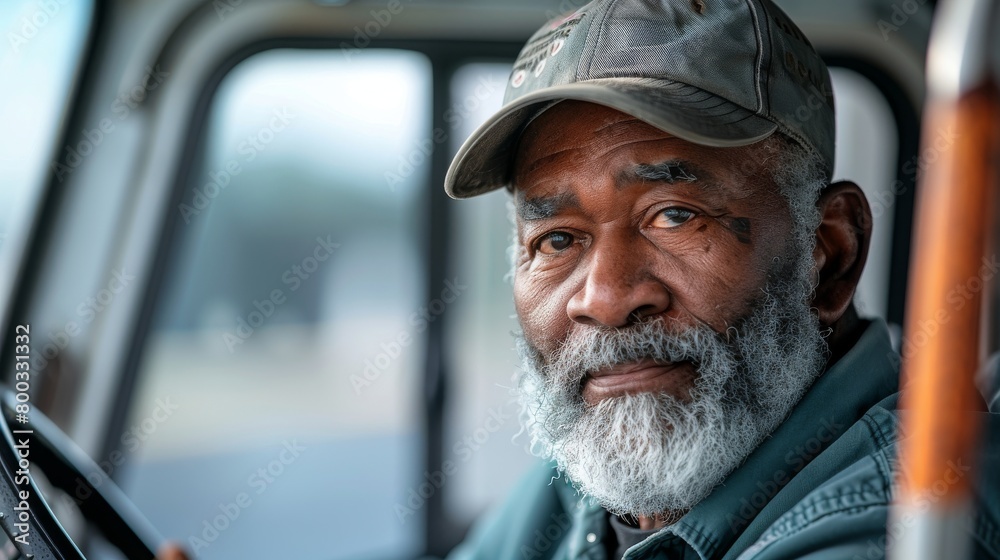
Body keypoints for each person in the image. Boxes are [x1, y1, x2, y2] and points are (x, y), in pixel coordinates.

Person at [442, 0, 999, 558]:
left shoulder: (903, 525)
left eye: (674, 215)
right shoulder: (592, 470)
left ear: (829, 254)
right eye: (557, 241)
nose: (605, 299)